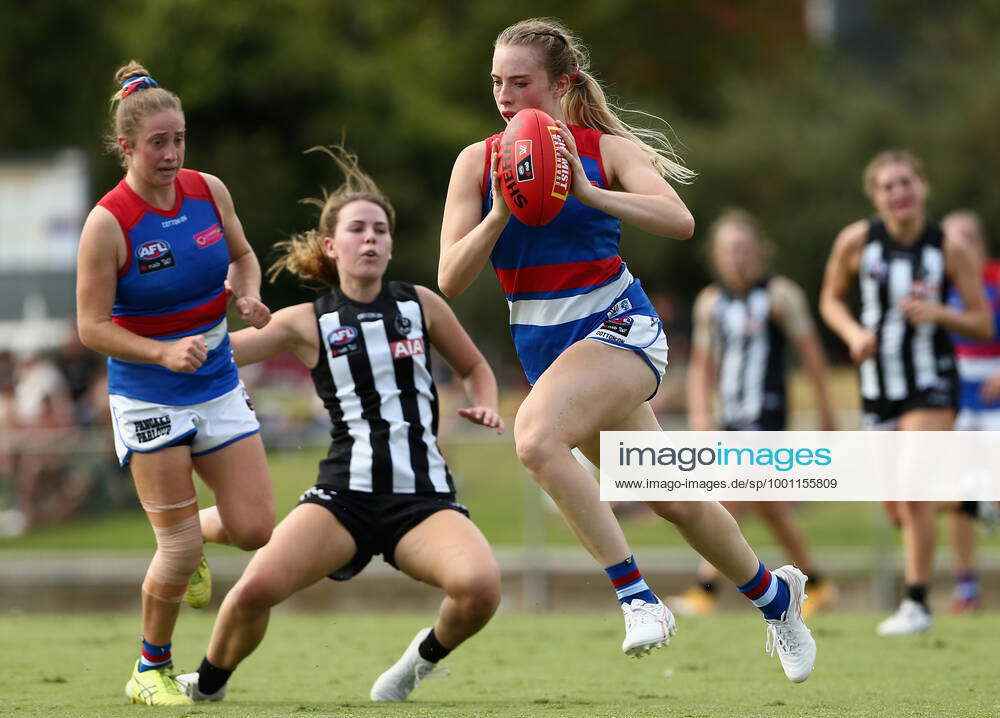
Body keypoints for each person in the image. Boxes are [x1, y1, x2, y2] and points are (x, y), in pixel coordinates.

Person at [438, 18, 815, 683]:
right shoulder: (477, 162)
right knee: (673, 497)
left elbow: (680, 219)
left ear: (560, 85)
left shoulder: (604, 150)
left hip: (620, 330)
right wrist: (499, 212)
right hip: (550, 355)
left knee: (534, 439)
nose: (504, 95)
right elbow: (450, 278)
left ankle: (637, 598)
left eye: (520, 82)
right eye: (496, 81)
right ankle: (776, 597)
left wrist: (585, 190)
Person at [176, 146, 503, 704]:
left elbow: (474, 366)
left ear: (392, 244)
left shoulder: (421, 304)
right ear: (332, 246)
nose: (371, 238)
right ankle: (207, 685)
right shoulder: (308, 321)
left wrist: (485, 401)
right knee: (254, 590)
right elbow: (218, 353)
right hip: (342, 499)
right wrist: (176, 338)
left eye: (380, 229)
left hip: (421, 498)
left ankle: (414, 667)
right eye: (358, 229)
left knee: (481, 589)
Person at [76, 61, 275, 705]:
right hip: (147, 390)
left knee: (255, 527)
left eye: (179, 139)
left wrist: (247, 294)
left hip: (214, 378)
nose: (171, 154)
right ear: (126, 146)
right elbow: (90, 326)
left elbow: (243, 257)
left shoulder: (207, 191)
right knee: (177, 546)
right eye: (157, 142)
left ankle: (192, 541)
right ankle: (149, 670)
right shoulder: (108, 223)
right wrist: (161, 354)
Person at [819, 150, 993, 635]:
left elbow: (981, 321)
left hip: (931, 380)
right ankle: (967, 501)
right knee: (898, 507)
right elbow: (830, 299)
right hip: (877, 385)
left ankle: (916, 602)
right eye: (888, 186)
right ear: (875, 196)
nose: (899, 193)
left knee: (915, 486)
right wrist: (853, 334)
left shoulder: (949, 249)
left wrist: (941, 314)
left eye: (906, 183)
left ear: (923, 187)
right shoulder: (856, 242)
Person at [673, 208, 836, 619]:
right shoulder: (711, 302)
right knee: (763, 504)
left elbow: (813, 358)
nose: (737, 258)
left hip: (767, 415)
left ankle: (705, 589)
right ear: (717, 255)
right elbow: (702, 366)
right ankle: (815, 582)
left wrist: (826, 412)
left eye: (744, 249)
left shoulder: (781, 296)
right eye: (729, 250)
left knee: (730, 498)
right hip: (729, 415)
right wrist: (699, 416)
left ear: (758, 252)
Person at [941, 209, 1000, 612]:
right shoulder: (937, 286)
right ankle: (965, 587)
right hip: (953, 402)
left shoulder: (996, 281)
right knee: (954, 493)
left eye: (966, 238)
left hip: (994, 399)